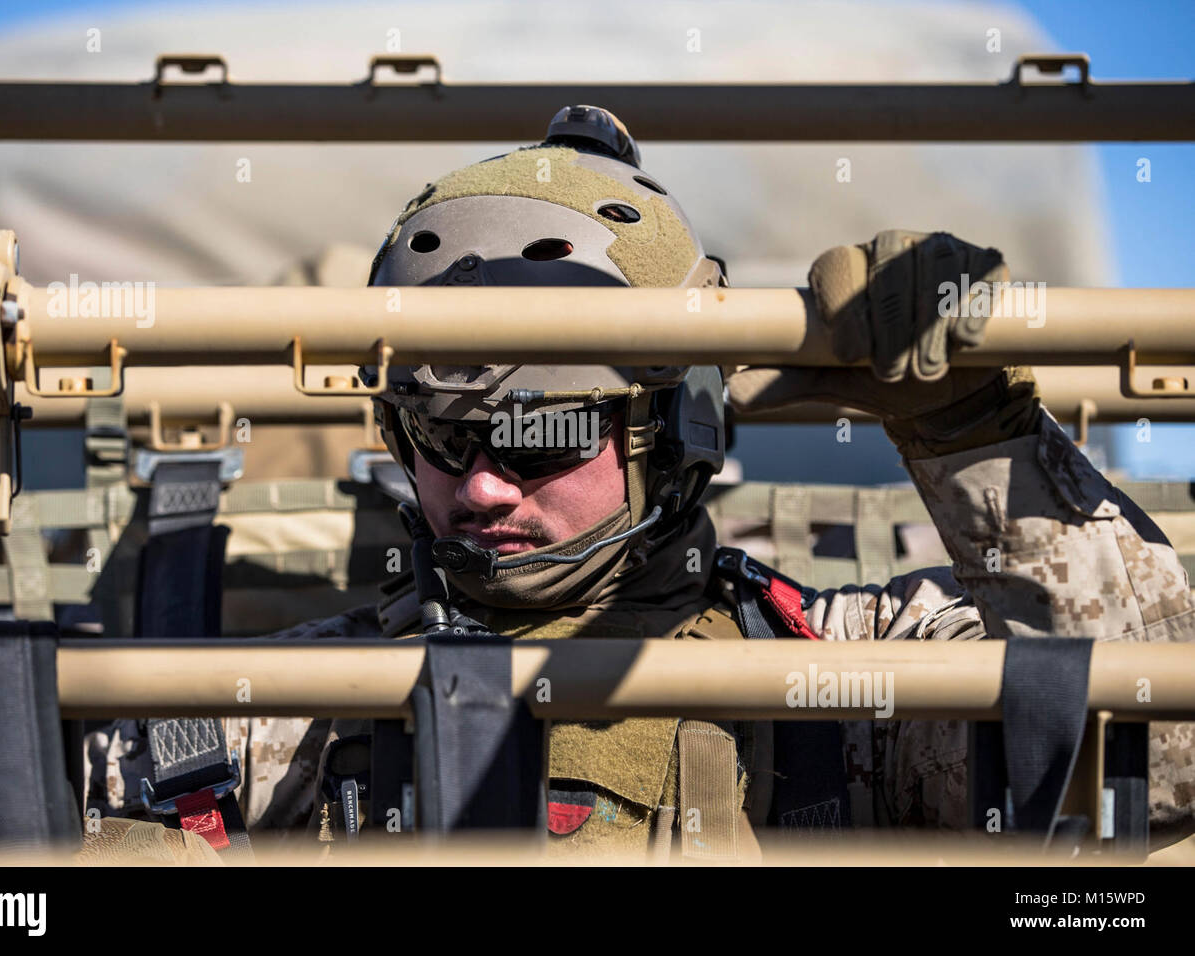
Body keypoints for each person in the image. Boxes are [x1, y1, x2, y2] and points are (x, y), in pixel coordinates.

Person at [84, 105, 1195, 860]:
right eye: (440, 436)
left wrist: (970, 429)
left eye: (543, 435)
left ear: (669, 431)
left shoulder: (841, 674)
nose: (481, 492)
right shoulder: (262, 713)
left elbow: (1166, 766)